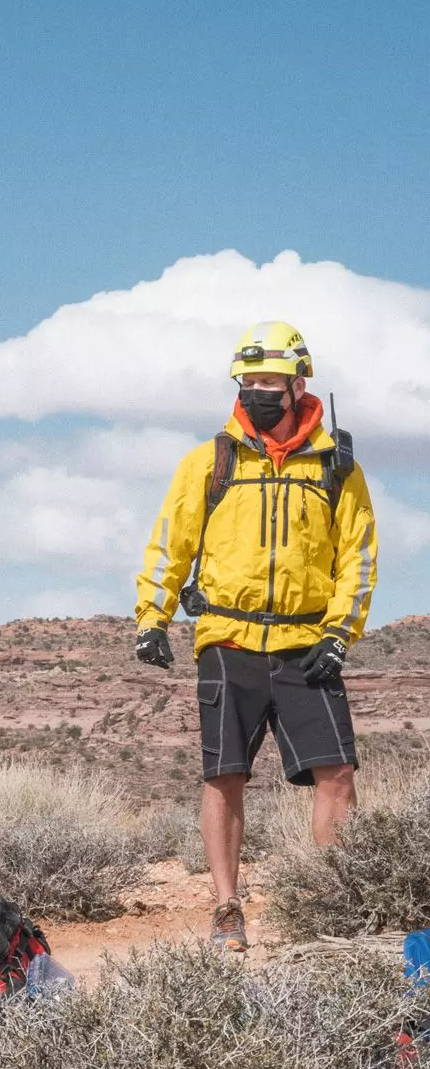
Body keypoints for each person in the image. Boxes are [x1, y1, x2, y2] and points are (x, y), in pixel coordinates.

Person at [134, 320, 377, 951]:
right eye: (248, 381)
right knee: (225, 774)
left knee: (338, 774)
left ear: (299, 383)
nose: (257, 391)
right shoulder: (209, 461)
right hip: (228, 642)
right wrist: (152, 618)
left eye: (269, 380)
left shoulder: (335, 465)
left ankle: (329, 902)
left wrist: (340, 634)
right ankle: (225, 908)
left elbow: (359, 556)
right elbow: (171, 543)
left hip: (307, 643)